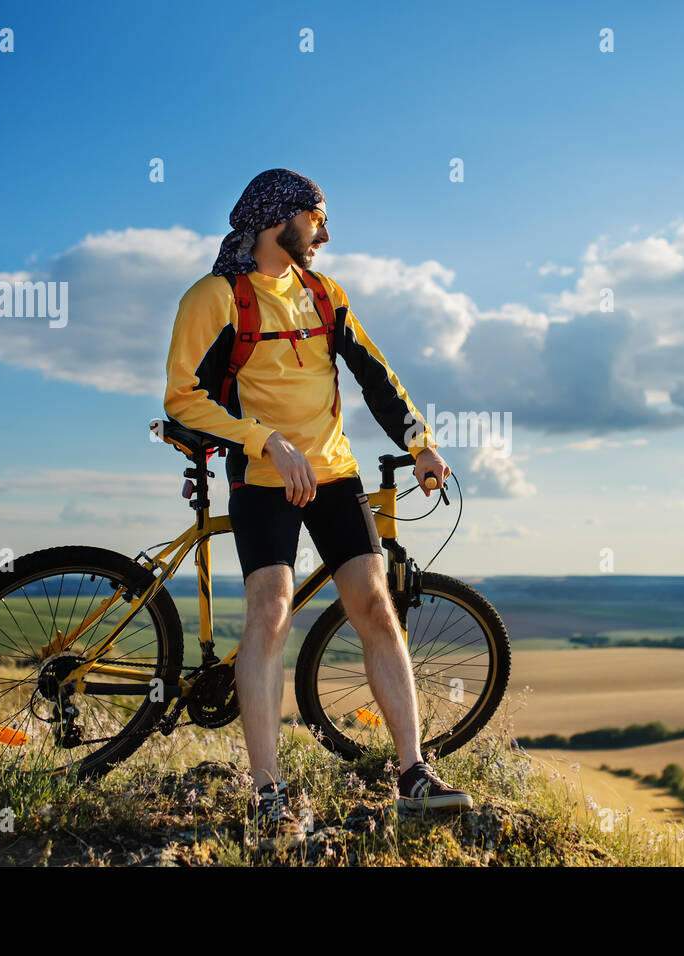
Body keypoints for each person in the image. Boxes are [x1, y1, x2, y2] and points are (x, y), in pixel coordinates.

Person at [163, 168, 473, 843]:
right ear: (279, 219)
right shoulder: (214, 298)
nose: (325, 232)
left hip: (332, 472)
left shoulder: (323, 293)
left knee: (373, 605)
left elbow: (374, 374)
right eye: (316, 217)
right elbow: (183, 397)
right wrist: (268, 442)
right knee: (271, 613)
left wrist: (420, 441)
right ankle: (267, 790)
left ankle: (414, 772)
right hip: (262, 472)